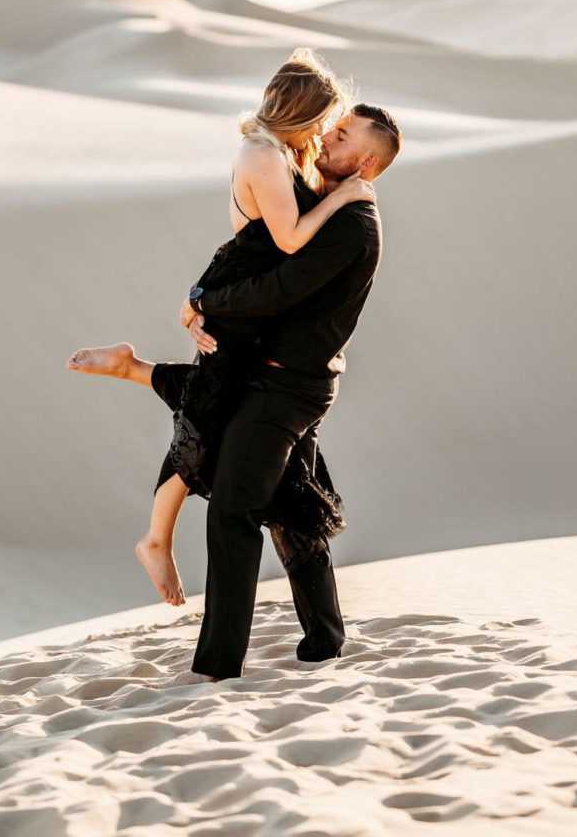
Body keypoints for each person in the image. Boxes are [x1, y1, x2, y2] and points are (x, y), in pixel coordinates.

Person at [66, 49, 374, 605]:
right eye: (327, 121)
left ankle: (132, 368)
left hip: (248, 304)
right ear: (304, 114)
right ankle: (155, 540)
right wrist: (346, 197)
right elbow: (290, 241)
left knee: (213, 408)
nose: (328, 133)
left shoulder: (288, 152)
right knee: (206, 418)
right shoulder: (262, 155)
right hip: (239, 297)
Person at [170, 101, 403, 683]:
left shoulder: (353, 225)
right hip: (283, 378)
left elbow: (279, 288)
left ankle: (218, 666)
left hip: (287, 387)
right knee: (294, 506)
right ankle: (324, 639)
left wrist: (203, 302)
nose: (327, 138)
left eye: (342, 135)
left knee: (233, 510)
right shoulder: (327, 207)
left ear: (366, 162)